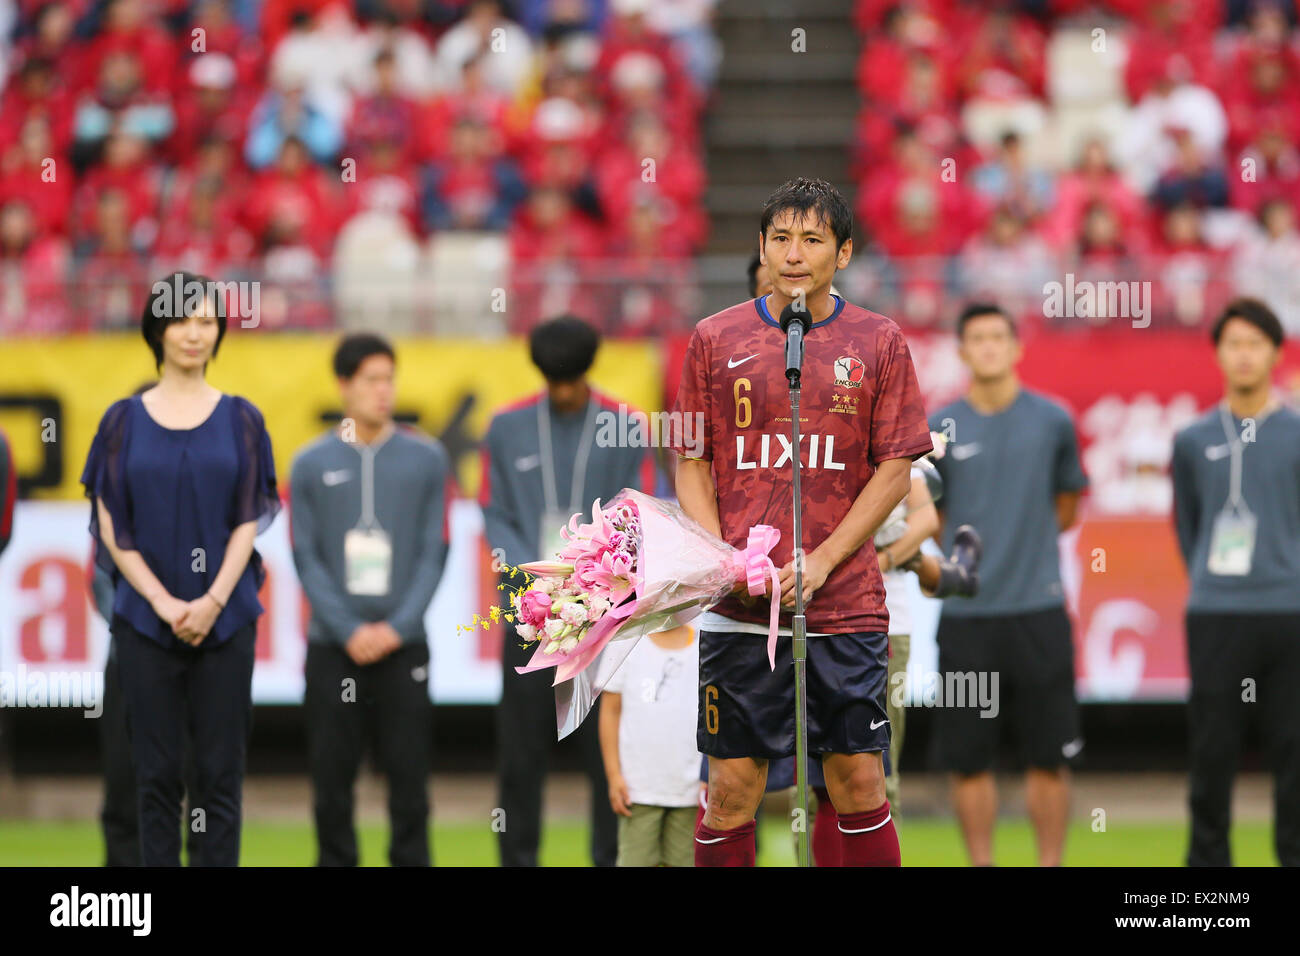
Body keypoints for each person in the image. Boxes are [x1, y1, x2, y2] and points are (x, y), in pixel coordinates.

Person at [674, 178, 934, 867]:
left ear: (842, 253)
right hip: (740, 610)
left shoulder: (880, 341)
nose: (795, 254)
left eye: (813, 239)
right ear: (761, 247)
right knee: (731, 789)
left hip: (844, 604)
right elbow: (691, 462)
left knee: (856, 781)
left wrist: (822, 562)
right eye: (781, 238)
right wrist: (728, 563)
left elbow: (896, 466)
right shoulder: (711, 337)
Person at [80, 272, 280, 866]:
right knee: (155, 780)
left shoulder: (242, 419)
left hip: (226, 622)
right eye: (182, 320)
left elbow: (248, 517)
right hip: (145, 624)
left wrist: (214, 600)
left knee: (221, 779)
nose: (195, 333)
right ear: (157, 329)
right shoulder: (122, 422)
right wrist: (163, 604)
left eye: (206, 321)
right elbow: (113, 524)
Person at [480, 314, 652, 867]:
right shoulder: (505, 428)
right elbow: (496, 514)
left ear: (588, 371)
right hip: (533, 621)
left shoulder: (625, 424)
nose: (562, 392)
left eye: (571, 381)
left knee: (605, 756)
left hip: (601, 621)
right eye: (553, 382)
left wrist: (597, 581)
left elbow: (636, 513)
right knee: (520, 757)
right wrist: (529, 575)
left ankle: (610, 858)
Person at [928, 301, 1089, 867]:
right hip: (967, 617)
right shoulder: (940, 428)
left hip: (1039, 612)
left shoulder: (1053, 420)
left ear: (1018, 347)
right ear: (963, 351)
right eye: (978, 338)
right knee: (969, 759)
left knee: (1049, 755)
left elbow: (1066, 505)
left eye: (1000, 336)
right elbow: (932, 515)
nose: (990, 346)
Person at [290, 333, 453, 867]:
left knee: (410, 786)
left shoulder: (427, 457)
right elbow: (304, 555)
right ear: (344, 385)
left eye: (389, 379)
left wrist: (396, 627)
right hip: (333, 647)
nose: (384, 391)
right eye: (371, 380)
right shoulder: (310, 462)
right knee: (331, 785)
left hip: (403, 648)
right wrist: (349, 630)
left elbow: (435, 551)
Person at [1171, 298, 1300, 867]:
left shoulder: (1296, 432)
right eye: (1234, 344)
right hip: (1216, 613)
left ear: (1275, 352)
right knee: (1212, 751)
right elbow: (1189, 526)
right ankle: (1208, 885)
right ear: (1219, 353)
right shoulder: (1192, 438)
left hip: (1289, 611)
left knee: (1294, 751)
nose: (1245, 355)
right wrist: (1210, 579)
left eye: (1256, 343)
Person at [599, 623, 700, 867]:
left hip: (691, 789)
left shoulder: (704, 640)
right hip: (638, 789)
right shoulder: (626, 640)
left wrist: (709, 772)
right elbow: (610, 711)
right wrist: (614, 775)